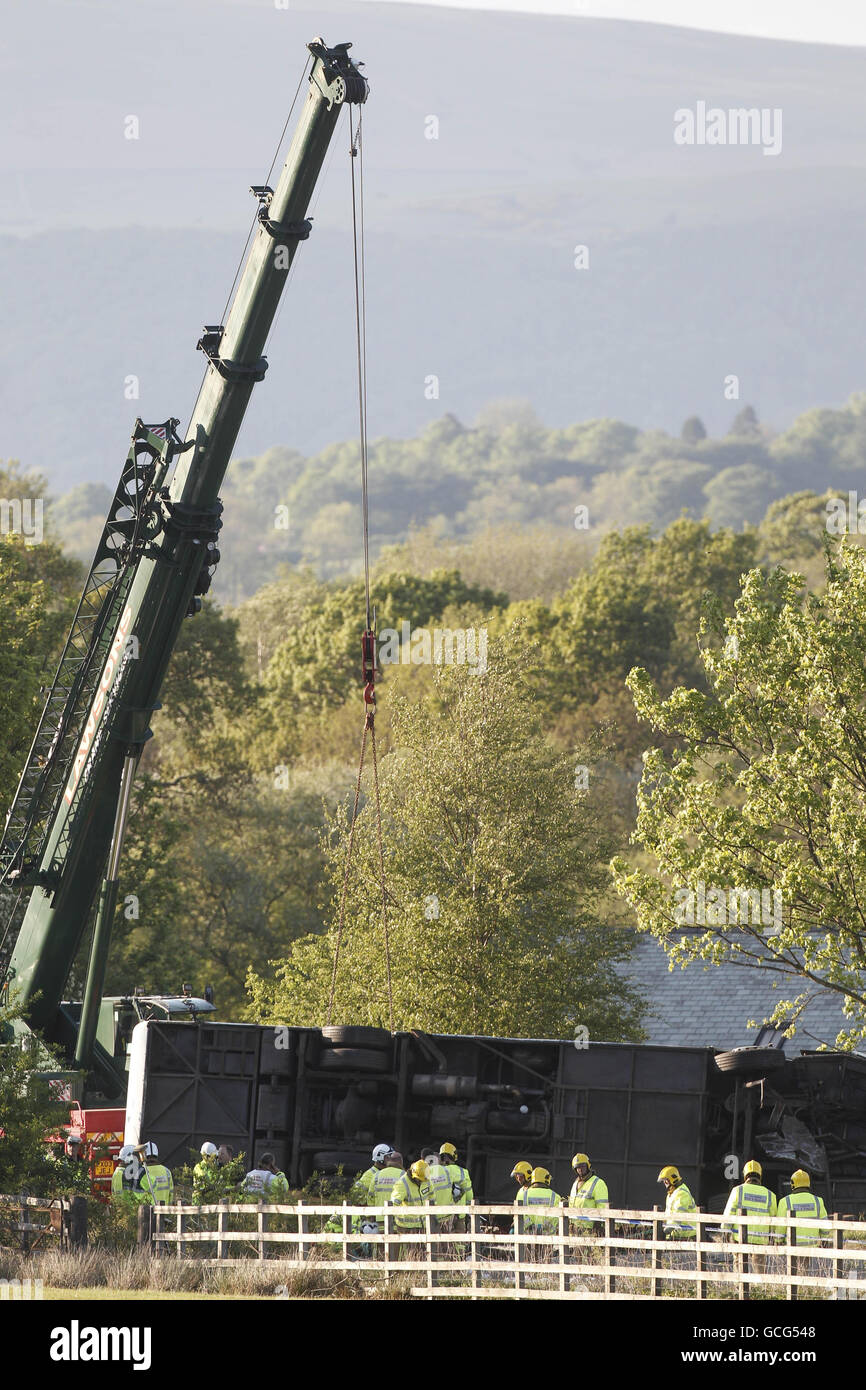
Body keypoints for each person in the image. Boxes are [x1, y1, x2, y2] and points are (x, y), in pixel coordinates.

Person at [352, 1144, 403, 1236]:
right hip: (373, 1219)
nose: (390, 1159)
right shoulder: (370, 1175)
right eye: (388, 1156)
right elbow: (357, 1197)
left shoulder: (378, 1173)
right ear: (381, 1157)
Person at [723, 1159, 777, 1246]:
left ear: (745, 1174)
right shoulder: (770, 1195)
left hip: (739, 1238)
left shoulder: (737, 1190)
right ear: (760, 1175)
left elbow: (729, 1213)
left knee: (740, 1260)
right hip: (761, 1241)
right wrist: (775, 1238)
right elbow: (774, 1220)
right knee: (758, 1260)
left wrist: (725, 1232)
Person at [776, 1169, 829, 1248]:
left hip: (792, 1249)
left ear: (792, 1184)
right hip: (812, 1249)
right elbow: (825, 1226)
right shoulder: (818, 1201)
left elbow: (780, 1227)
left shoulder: (785, 1201)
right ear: (808, 1183)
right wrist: (824, 1240)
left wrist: (778, 1241)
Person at [514, 1166, 564, 1235]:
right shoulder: (555, 1196)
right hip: (548, 1237)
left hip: (527, 1237)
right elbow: (556, 1218)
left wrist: (531, 1227)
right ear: (546, 1179)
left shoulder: (523, 1194)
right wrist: (545, 1226)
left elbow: (520, 1215)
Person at [568, 1152, 609, 1232]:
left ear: (588, 1166)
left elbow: (602, 1206)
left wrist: (598, 1224)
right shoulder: (575, 1183)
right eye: (577, 1167)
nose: (580, 1169)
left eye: (582, 1166)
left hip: (590, 1229)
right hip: (574, 1229)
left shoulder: (598, 1183)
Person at [658, 1165, 697, 1239]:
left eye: (666, 1180)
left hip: (688, 1236)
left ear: (673, 1179)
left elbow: (676, 1218)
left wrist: (663, 1232)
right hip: (677, 1235)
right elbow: (668, 1216)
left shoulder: (682, 1194)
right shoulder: (671, 1194)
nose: (664, 1183)